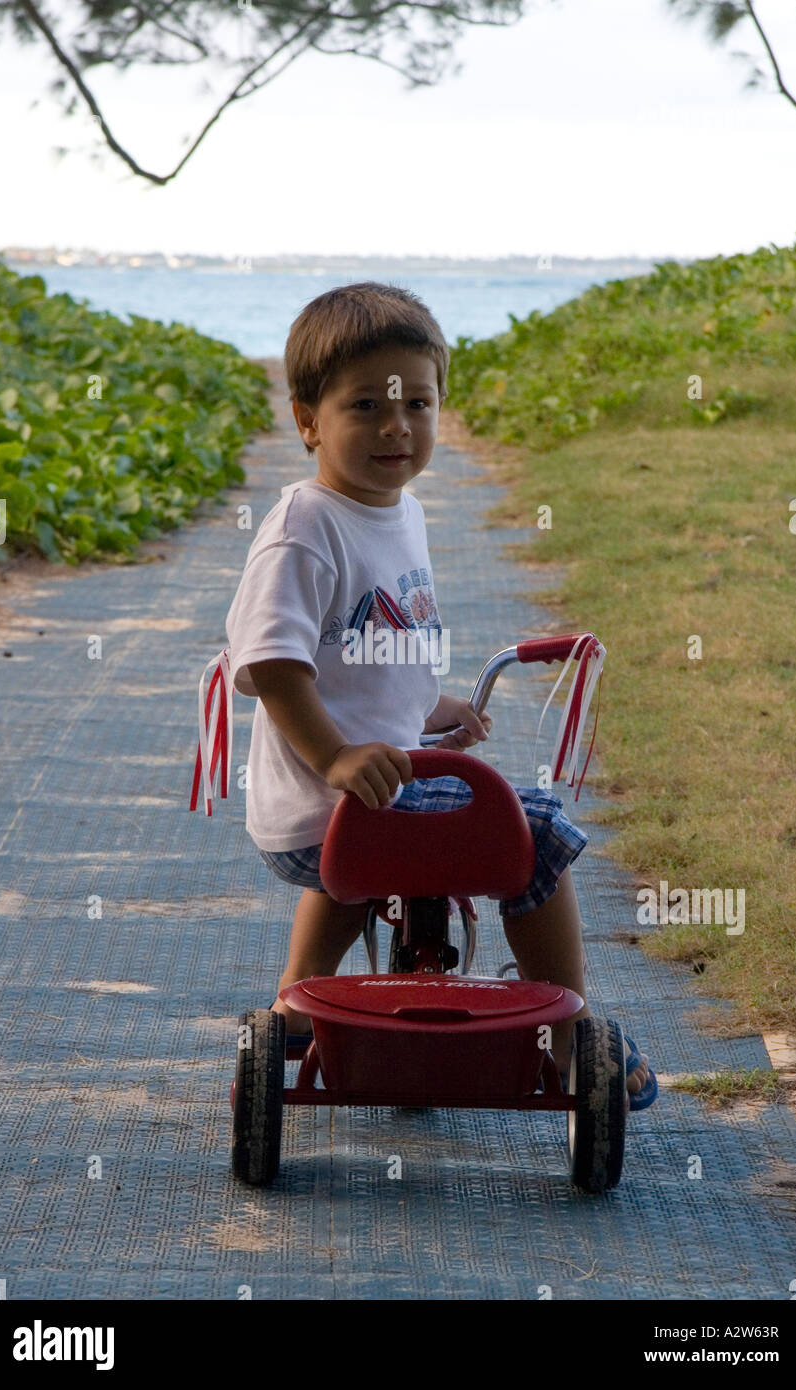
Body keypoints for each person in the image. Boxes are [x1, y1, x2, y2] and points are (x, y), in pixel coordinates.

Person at [224, 282, 656, 1107]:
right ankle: (566, 1032)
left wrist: (428, 707)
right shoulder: (303, 529)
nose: (397, 426)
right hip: (326, 800)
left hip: (366, 790)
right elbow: (274, 662)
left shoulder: (403, 512)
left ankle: (297, 1000)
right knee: (536, 835)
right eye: (366, 406)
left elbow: (370, 652)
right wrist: (338, 755)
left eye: (417, 403)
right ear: (307, 419)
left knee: (388, 829)